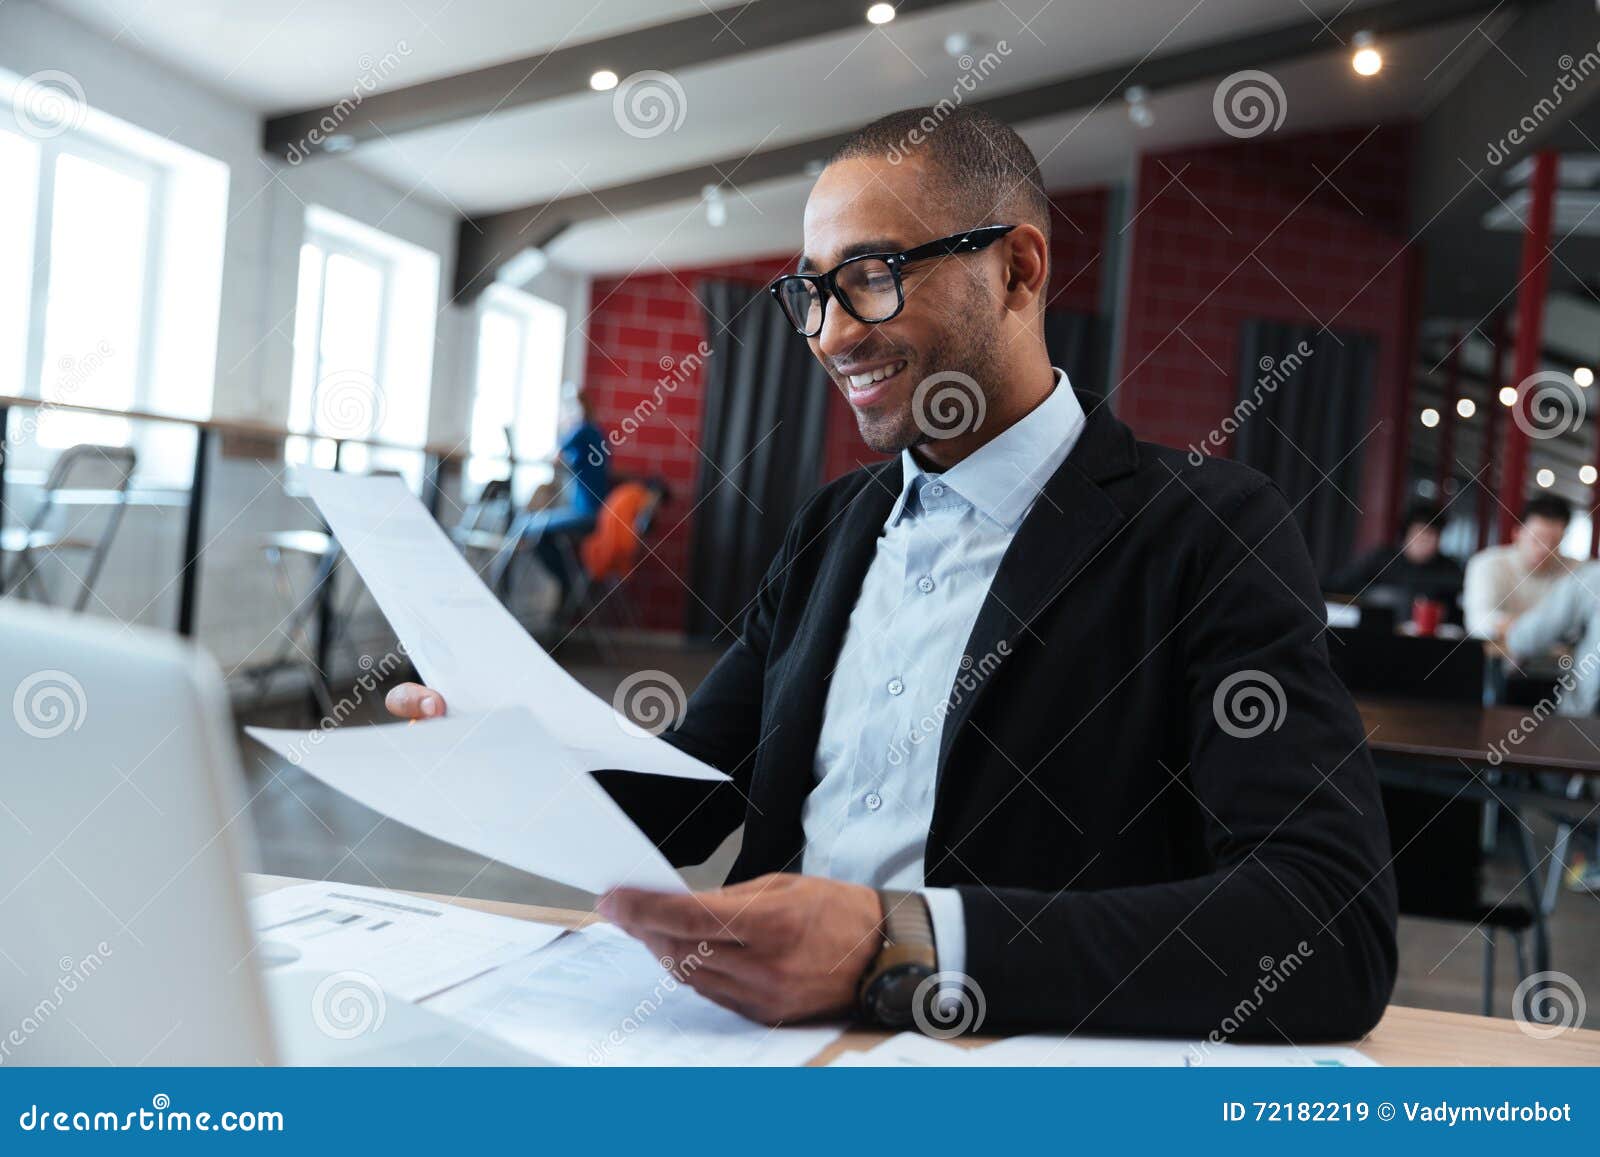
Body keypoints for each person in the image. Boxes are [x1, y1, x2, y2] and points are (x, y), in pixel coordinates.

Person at [388, 107, 1396, 1038]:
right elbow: (695, 793)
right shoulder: (834, 522)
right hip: (758, 1054)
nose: (830, 330)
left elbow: (1328, 923)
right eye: (812, 290)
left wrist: (899, 942)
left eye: (871, 273)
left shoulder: (1205, 531)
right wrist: (513, 756)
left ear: (1016, 268)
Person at [505, 392, 611, 610]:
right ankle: (568, 581)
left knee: (528, 525)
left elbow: (554, 455)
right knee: (537, 530)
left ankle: (566, 581)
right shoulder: (596, 433)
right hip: (592, 511)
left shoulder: (582, 431)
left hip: (586, 514)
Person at [1462, 494, 1574, 640]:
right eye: (1537, 539)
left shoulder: (1574, 570)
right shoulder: (1487, 563)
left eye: (1554, 542)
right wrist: (1547, 629)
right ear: (1517, 534)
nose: (1545, 549)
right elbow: (1479, 621)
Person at [1324, 500, 1463, 613]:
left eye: (1433, 536)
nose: (1426, 542)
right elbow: (1339, 584)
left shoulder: (1449, 568)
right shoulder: (1381, 559)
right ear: (1406, 535)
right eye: (1421, 534)